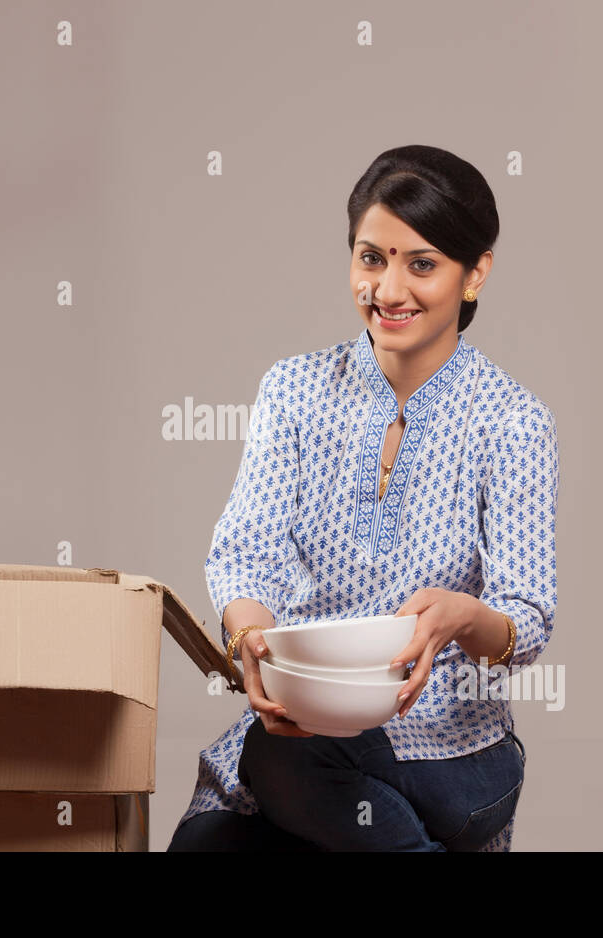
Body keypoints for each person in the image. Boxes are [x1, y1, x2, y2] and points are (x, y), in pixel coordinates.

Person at [167, 145, 558, 852]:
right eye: (371, 258)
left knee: (286, 760)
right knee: (213, 837)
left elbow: (525, 622)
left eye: (423, 263)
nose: (389, 289)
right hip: (306, 732)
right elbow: (244, 553)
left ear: (476, 274)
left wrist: (464, 616)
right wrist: (252, 639)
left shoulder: (512, 420)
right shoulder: (294, 389)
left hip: (453, 754)